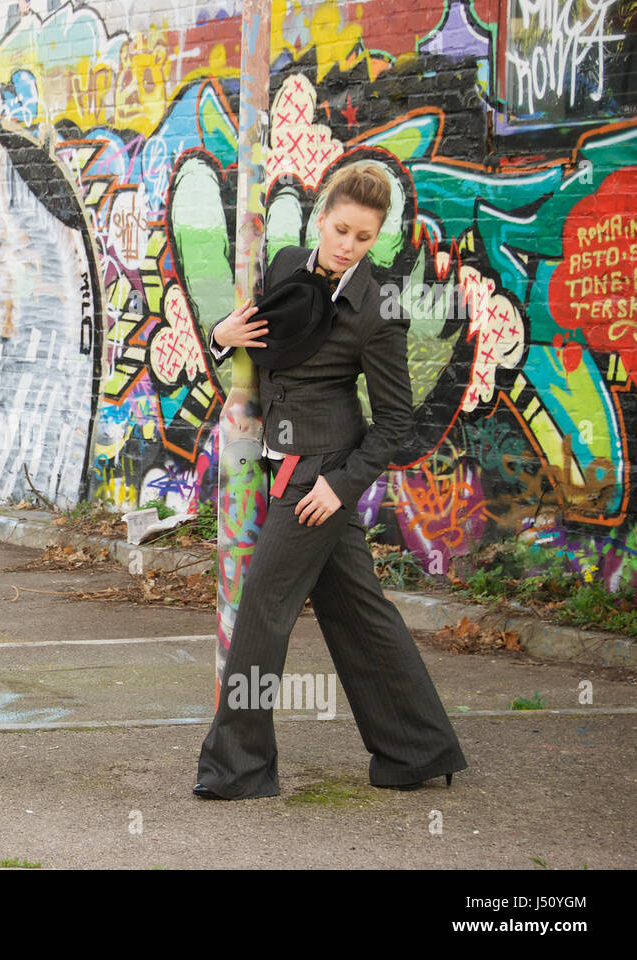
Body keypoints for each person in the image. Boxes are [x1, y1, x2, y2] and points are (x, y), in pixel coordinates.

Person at [194, 161, 467, 798]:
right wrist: (220, 335)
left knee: (261, 607)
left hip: (320, 479)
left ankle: (239, 768)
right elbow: (259, 347)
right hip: (281, 463)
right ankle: (417, 749)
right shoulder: (287, 264)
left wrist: (342, 487)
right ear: (322, 218)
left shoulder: (378, 307)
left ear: (378, 239)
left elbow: (395, 420)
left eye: (364, 238)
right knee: (356, 610)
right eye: (341, 229)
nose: (348, 246)